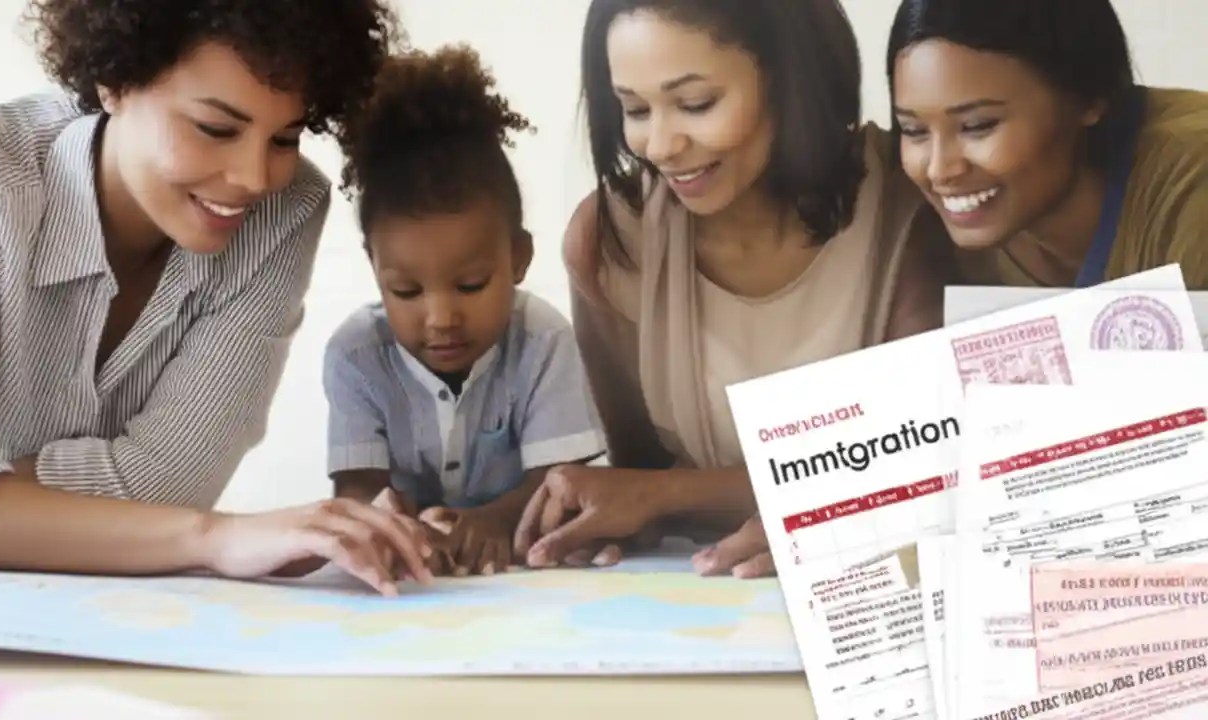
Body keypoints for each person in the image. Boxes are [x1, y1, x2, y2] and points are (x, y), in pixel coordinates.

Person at [0, 0, 433, 596]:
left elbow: (169, 483)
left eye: (285, 137)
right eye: (215, 129)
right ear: (113, 81)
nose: (253, 176)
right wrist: (212, 538)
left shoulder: (285, 213)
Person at [514, 0, 952, 576]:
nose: (661, 145)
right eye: (635, 108)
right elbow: (633, 476)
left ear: (786, 79)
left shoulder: (908, 207)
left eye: (696, 104)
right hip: (698, 592)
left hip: (866, 585)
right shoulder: (610, 242)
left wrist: (660, 495)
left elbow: (918, 460)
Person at [324, 45, 608, 577]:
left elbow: (558, 480)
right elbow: (357, 488)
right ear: (374, 268)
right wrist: (396, 524)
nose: (441, 317)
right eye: (407, 291)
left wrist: (494, 520)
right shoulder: (355, 354)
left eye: (471, 284)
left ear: (518, 257)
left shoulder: (542, 340)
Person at [887, 0, 1208, 289]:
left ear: (1089, 97)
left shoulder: (1193, 181)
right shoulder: (941, 224)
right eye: (914, 130)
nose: (940, 170)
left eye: (977, 126)